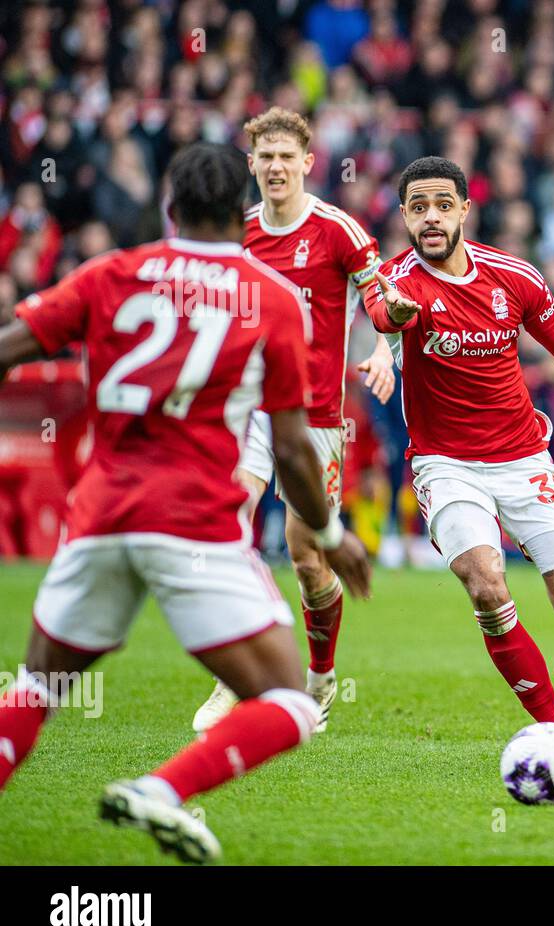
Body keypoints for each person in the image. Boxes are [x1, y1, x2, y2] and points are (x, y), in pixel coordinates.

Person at [0, 143, 371, 863]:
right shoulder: (267, 295)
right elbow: (293, 448)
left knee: (36, 689)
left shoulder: (112, 272)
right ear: (243, 213)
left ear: (168, 207)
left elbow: (12, 345)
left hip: (101, 518)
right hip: (196, 527)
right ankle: (163, 790)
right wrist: (328, 530)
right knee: (290, 703)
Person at [366, 156, 554, 728]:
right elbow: (383, 310)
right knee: (486, 585)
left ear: (464, 211)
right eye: (418, 208)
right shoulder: (395, 279)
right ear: (404, 215)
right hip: (445, 465)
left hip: (524, 459)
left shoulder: (515, 277)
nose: (431, 218)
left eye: (443, 206)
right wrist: (389, 327)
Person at [192, 107, 394, 734]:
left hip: (313, 417)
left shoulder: (338, 231)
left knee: (308, 562)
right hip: (245, 408)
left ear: (308, 163)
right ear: (251, 165)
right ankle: (236, 677)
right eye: (265, 157)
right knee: (228, 524)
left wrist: (385, 346)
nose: (276, 168)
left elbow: (380, 296)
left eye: (287, 157)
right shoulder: (238, 232)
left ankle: (321, 676)